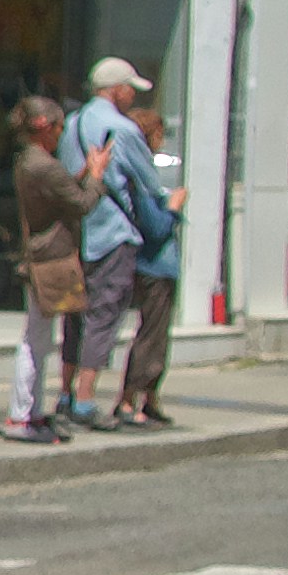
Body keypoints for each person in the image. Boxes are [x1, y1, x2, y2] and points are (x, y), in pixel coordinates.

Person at [64, 58, 152, 431]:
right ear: (116, 89)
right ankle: (85, 399)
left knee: (74, 316)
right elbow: (148, 181)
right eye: (130, 87)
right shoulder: (122, 129)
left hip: (77, 231)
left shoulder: (72, 124)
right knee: (104, 315)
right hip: (113, 234)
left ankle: (65, 393)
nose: (132, 95)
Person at [2, 95, 86, 445]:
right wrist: (95, 176)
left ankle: (31, 411)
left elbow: (64, 192)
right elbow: (80, 204)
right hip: (47, 257)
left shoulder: (31, 162)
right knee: (35, 340)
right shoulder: (43, 165)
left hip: (43, 254)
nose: (60, 134)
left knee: (40, 339)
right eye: (58, 128)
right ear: (43, 127)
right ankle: (22, 414)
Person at [113, 101, 184, 426]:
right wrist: (173, 207)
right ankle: (130, 398)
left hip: (159, 266)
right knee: (151, 335)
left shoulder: (144, 171)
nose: (162, 142)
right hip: (154, 266)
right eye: (158, 135)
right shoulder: (142, 176)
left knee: (158, 335)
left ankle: (150, 397)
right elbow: (155, 227)